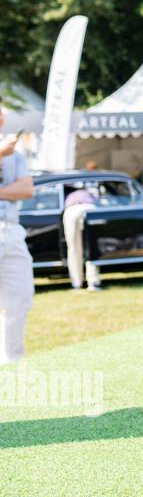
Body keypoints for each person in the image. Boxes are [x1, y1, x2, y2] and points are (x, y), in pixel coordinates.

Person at [0, 103, 35, 363]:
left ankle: (11, 362)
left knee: (21, 296)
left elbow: (26, 189)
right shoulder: (5, 151)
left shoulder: (16, 155)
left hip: (11, 230)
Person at [62, 184, 99, 291]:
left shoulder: (69, 194)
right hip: (88, 208)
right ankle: (93, 282)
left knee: (73, 248)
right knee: (91, 246)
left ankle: (76, 283)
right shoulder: (89, 193)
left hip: (71, 210)